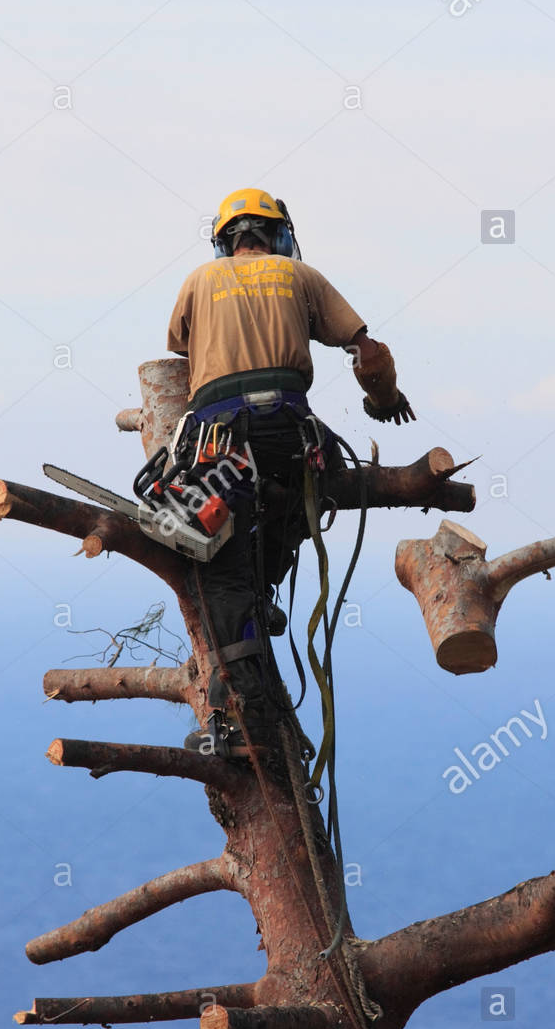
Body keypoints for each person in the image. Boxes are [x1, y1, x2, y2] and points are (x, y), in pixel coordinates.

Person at [166, 187, 413, 759]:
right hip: (289, 432)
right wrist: (384, 397)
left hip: (218, 442)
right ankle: (269, 576)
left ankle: (238, 719)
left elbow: (179, 349)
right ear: (277, 234)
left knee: (220, 578)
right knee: (303, 498)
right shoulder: (299, 275)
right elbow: (368, 351)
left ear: (225, 239)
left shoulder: (200, 279)